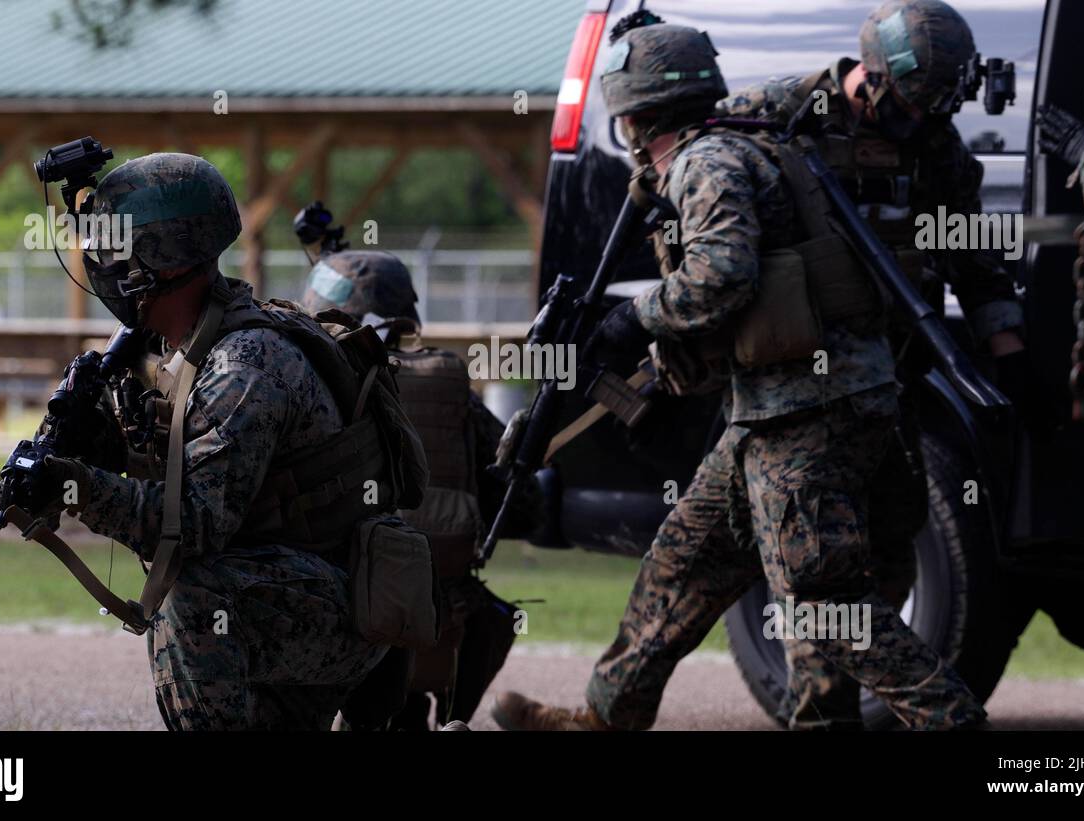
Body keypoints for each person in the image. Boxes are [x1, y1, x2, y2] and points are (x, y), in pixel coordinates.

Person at [492, 12, 987, 732]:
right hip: (787, 406)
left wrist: (630, 321)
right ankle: (605, 717)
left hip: (804, 414)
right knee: (684, 564)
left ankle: (956, 722)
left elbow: (719, 277)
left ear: (633, 115)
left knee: (822, 601)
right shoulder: (757, 139)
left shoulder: (711, 160)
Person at [717, 0, 1027, 729]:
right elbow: (696, 200)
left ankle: (827, 717)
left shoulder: (937, 145)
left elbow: (974, 258)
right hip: (796, 387)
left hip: (889, 390)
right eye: (913, 106)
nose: (922, 124)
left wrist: (1007, 356)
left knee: (882, 561)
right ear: (872, 79)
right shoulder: (774, 117)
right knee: (817, 577)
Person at [30, 152, 407, 730]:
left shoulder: (245, 363)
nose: (105, 265)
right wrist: (99, 450)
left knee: (194, 599)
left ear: (158, 259)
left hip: (346, 607)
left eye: (116, 250)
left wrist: (77, 489)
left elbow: (194, 528)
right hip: (286, 589)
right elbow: (189, 470)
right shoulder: (179, 353)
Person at [300, 249, 535, 730]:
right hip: (438, 615)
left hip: (339, 608)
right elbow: (520, 500)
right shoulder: (448, 385)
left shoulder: (301, 379)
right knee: (490, 615)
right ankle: (449, 717)